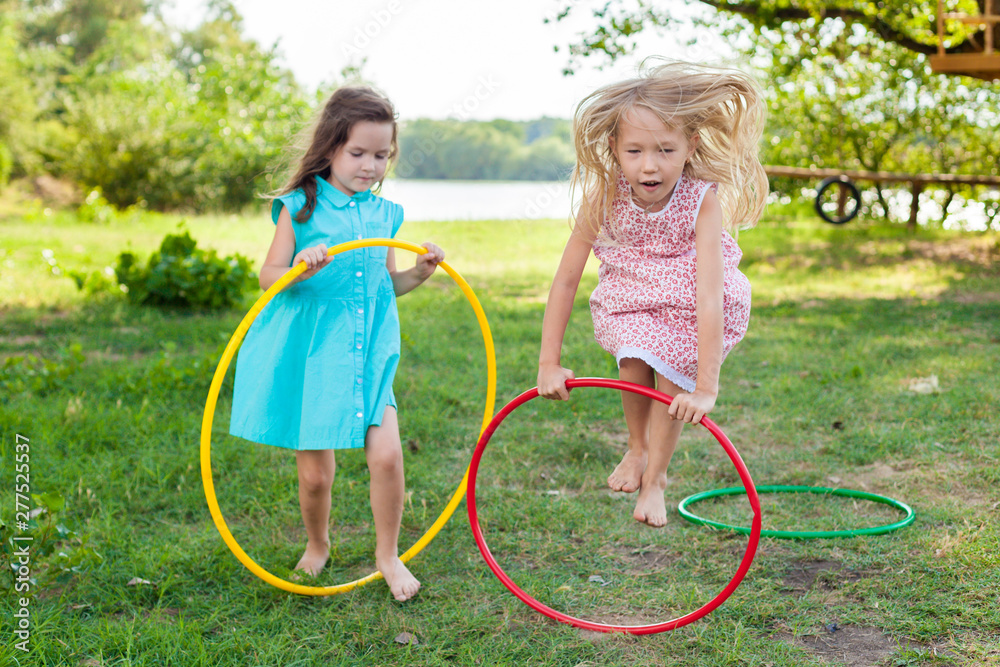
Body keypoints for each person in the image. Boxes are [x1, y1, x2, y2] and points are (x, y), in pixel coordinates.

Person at [229, 86, 442, 601]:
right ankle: (318, 544)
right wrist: (301, 268)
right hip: (316, 354)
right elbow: (268, 275)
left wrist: (420, 271)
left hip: (368, 353)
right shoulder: (298, 208)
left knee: (388, 456)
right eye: (359, 153)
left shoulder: (387, 215)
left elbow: (383, 285)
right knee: (316, 475)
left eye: (382, 155)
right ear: (331, 149)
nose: (371, 165)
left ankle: (388, 556)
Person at [536, 60, 768, 528]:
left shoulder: (702, 198)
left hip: (690, 295)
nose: (650, 164)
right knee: (635, 357)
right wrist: (548, 361)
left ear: (690, 147)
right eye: (635, 150)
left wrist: (706, 386)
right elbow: (565, 279)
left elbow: (708, 294)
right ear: (614, 150)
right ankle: (637, 448)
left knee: (668, 373)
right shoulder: (602, 195)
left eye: (665, 149)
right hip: (632, 291)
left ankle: (656, 478)